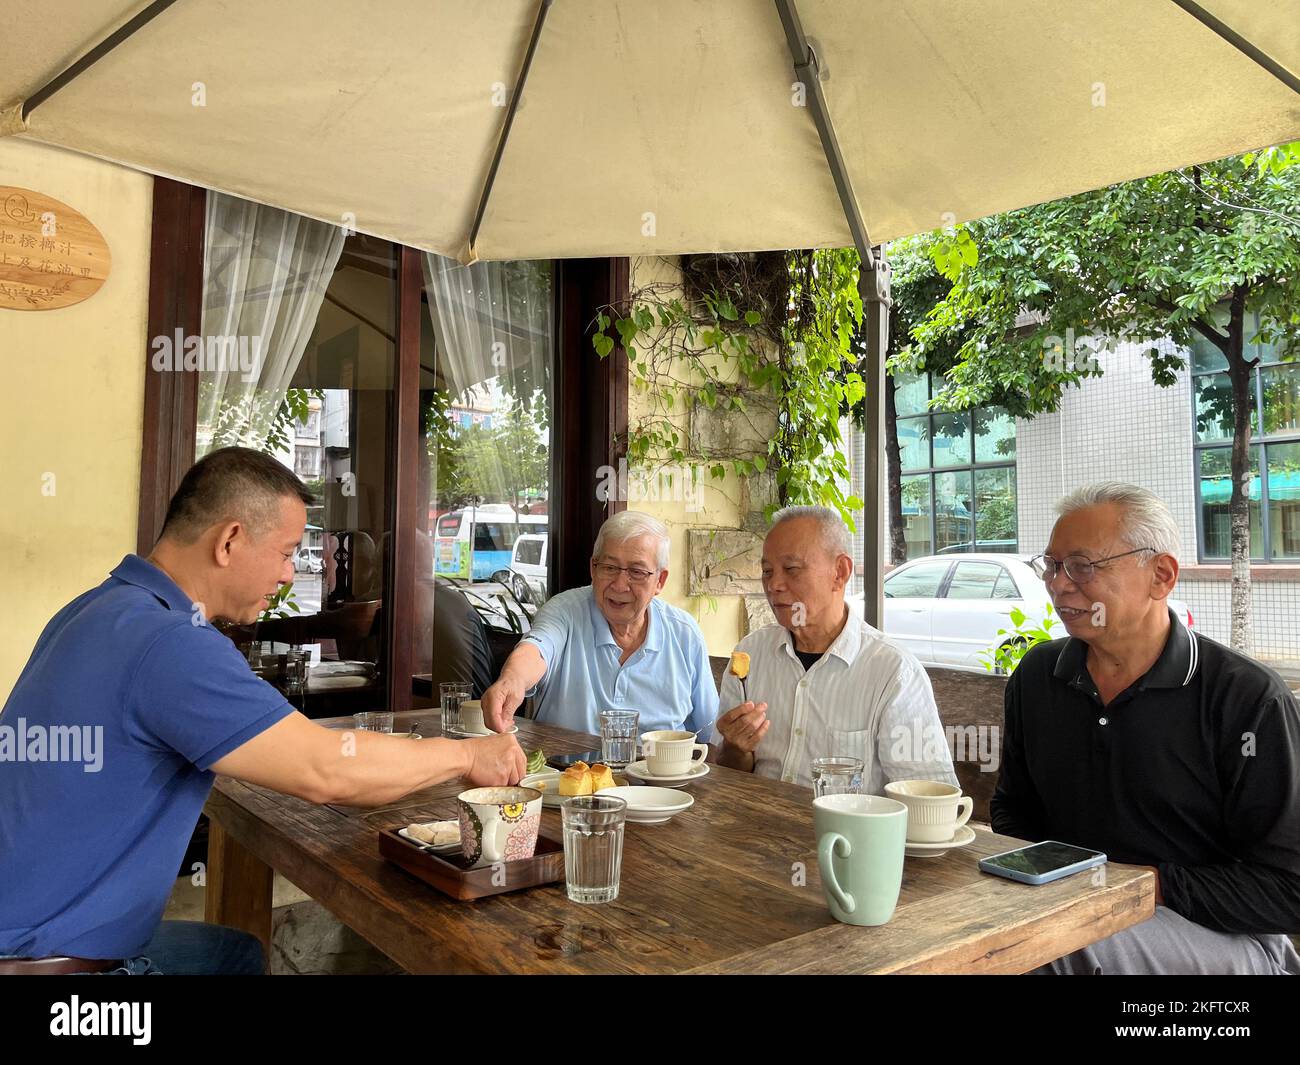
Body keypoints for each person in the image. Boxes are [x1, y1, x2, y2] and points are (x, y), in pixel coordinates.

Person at [0, 447, 524, 975]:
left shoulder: (99, 606)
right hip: (50, 957)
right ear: (229, 541)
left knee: (235, 955)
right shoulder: (172, 642)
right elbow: (329, 769)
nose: (290, 575)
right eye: (286, 552)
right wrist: (466, 756)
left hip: (25, 924)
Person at [991, 482, 1300, 974]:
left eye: (1082, 566)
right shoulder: (1039, 677)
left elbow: (1289, 888)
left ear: (1161, 575)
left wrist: (1142, 887)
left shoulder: (1245, 698)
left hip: (1227, 938)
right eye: (1051, 565)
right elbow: (1014, 810)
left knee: (1045, 945)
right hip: (1070, 907)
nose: (1058, 583)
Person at [714, 505, 957, 791]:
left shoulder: (893, 672)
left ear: (839, 573)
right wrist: (735, 747)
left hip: (852, 834)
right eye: (767, 571)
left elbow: (929, 796)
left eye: (791, 569)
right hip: (759, 828)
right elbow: (731, 772)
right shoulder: (750, 653)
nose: (774, 584)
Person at [482, 511, 717, 739]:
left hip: (659, 777)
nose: (620, 584)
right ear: (593, 569)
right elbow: (536, 651)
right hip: (568, 774)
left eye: (636, 572)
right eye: (610, 567)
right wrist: (512, 680)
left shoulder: (683, 633)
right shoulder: (565, 611)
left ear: (660, 581)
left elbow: (710, 733)